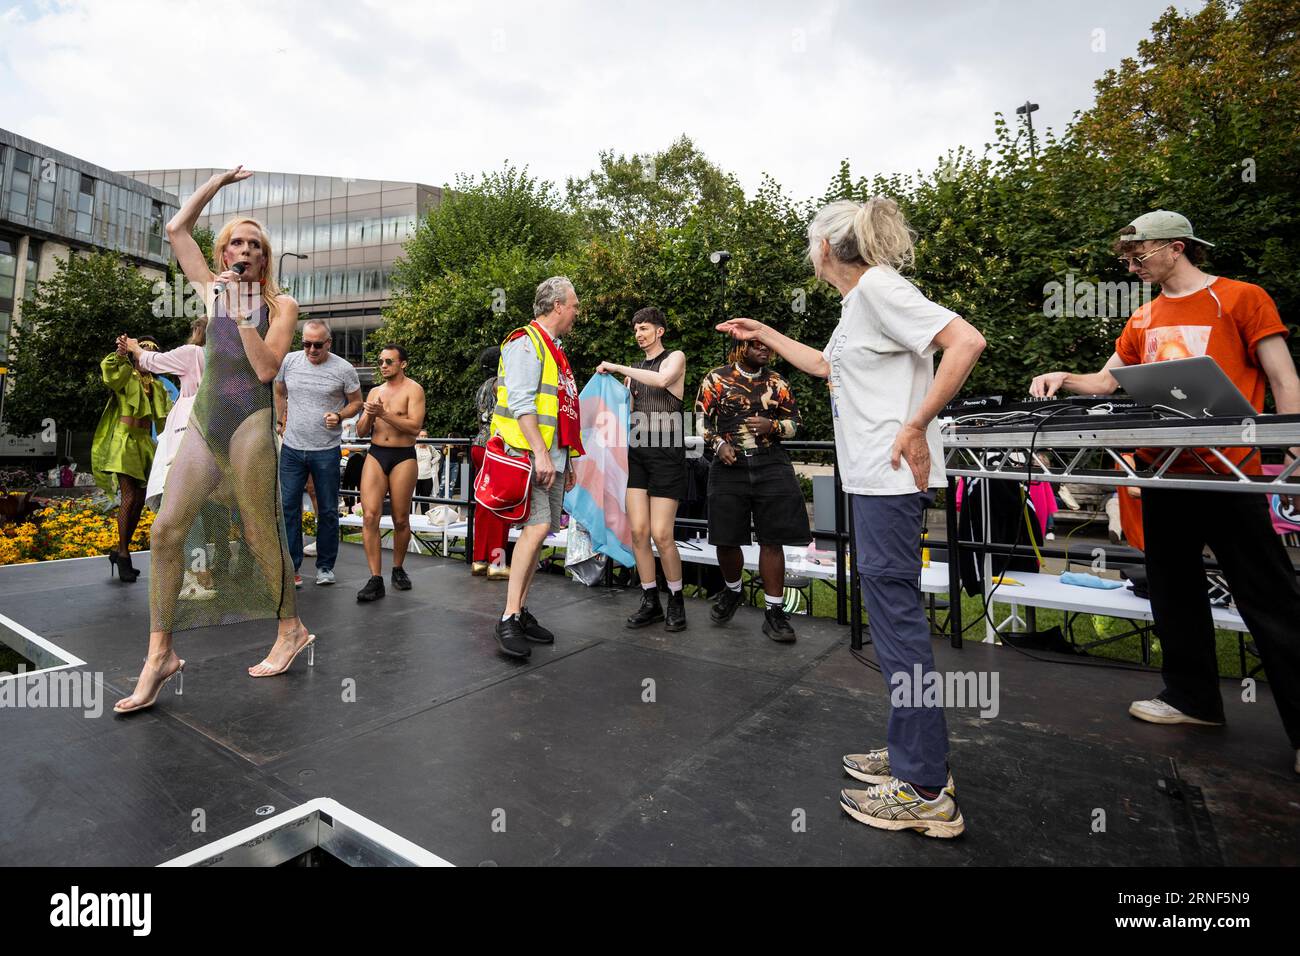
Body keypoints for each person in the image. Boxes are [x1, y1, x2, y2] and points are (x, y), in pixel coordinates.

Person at [720, 195, 987, 837]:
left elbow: (965, 341)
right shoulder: (859, 303)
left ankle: (924, 789)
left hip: (889, 478)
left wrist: (918, 423)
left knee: (896, 620)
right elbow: (825, 366)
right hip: (875, 478)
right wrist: (767, 334)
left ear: (824, 250)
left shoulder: (877, 290)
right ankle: (910, 757)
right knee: (891, 615)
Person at [1030, 209, 1300, 775]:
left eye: (1138, 255)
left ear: (1176, 247)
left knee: (1268, 599)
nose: (1130, 265)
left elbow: (1283, 378)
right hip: (1163, 472)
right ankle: (1192, 701)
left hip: (1230, 473)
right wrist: (1064, 379)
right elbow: (1107, 381)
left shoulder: (1242, 298)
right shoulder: (1144, 316)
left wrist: (1295, 445)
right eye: (1125, 259)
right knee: (1174, 590)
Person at [113, 166, 316, 714]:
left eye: (254, 244)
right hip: (207, 419)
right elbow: (179, 229)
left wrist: (240, 314)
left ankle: (291, 629)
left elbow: (268, 369)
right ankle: (160, 656)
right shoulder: (210, 288)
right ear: (224, 253)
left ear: (264, 257)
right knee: (165, 530)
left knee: (258, 532)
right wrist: (218, 185)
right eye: (236, 243)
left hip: (250, 421)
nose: (244, 250)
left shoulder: (281, 305)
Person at [491, 276, 584, 659]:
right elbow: (522, 403)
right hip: (530, 456)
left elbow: (560, 409)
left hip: (551, 456)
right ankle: (509, 616)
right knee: (538, 526)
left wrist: (568, 457)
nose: (578, 311)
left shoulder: (553, 349)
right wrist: (542, 454)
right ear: (558, 306)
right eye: (575, 304)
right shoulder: (524, 343)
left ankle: (521, 610)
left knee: (541, 530)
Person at [694, 337, 809, 642]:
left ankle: (774, 613)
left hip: (771, 463)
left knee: (773, 539)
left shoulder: (778, 382)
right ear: (740, 348)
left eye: (766, 346)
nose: (765, 350)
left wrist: (775, 427)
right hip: (728, 465)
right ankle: (733, 591)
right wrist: (718, 445)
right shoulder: (716, 378)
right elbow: (698, 420)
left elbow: (796, 422)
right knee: (726, 538)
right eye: (757, 345)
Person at [596, 306, 688, 631]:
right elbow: (626, 415)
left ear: (660, 331)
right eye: (636, 329)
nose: (639, 334)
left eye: (645, 328)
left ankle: (676, 600)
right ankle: (650, 600)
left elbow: (663, 381)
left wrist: (620, 368)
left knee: (663, 534)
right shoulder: (634, 371)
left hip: (667, 456)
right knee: (638, 533)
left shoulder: (675, 357)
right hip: (637, 456)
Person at [120, 321, 221, 600]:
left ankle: (194, 576)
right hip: (205, 441)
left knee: (182, 512)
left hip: (186, 441)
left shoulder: (193, 354)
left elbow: (153, 361)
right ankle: (198, 574)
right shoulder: (225, 363)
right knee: (192, 512)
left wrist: (134, 347)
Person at [274, 320, 362, 588]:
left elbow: (357, 402)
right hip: (292, 448)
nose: (311, 349)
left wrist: (340, 415)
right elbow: (279, 391)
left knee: (327, 510)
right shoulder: (289, 361)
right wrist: (280, 421)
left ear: (329, 343)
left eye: (317, 345)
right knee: (288, 507)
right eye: (306, 344)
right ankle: (293, 568)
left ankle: (325, 566)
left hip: (326, 450)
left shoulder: (343, 369)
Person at [92, 335, 172, 583]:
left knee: (139, 500)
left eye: (150, 353)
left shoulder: (158, 387)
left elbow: (168, 416)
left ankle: (118, 549)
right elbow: (111, 373)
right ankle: (124, 555)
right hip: (124, 442)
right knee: (129, 497)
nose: (143, 357)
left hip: (145, 444)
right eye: (141, 351)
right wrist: (120, 354)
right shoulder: (126, 375)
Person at [355, 344, 426, 601]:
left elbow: (415, 427)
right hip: (376, 453)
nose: (383, 365)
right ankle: (375, 578)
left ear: (402, 364)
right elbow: (361, 432)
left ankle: (398, 568)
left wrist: (384, 413)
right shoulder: (375, 391)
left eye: (389, 361)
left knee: (400, 519)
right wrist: (370, 415)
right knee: (370, 515)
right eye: (381, 361)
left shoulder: (414, 390)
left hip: (402, 455)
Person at [470, 346, 511, 579]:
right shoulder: (502, 383)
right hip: (497, 448)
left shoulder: (483, 387)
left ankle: (480, 560)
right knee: (500, 506)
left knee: (483, 506)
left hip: (479, 445)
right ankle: (497, 562)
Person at [414, 429, 440, 517]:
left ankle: (425, 522)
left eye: (425, 436)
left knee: (425, 502)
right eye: (422, 436)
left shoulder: (430, 447)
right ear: (418, 437)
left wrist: (431, 462)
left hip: (428, 478)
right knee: (413, 502)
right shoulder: (414, 447)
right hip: (415, 478)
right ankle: (410, 525)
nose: (424, 437)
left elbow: (438, 456)